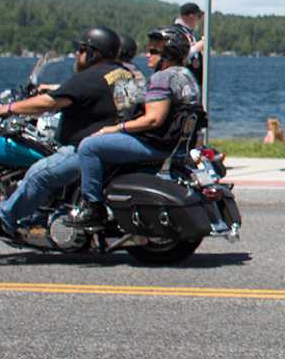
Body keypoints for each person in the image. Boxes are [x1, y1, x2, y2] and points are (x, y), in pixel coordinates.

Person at [0, 27, 130, 238]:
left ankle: (3, 220)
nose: (77, 54)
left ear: (94, 52)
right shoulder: (122, 74)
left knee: (38, 175)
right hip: (116, 145)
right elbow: (88, 97)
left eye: (81, 49)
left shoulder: (90, 76)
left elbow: (50, 102)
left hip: (86, 149)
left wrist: (10, 108)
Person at [69, 29, 202, 230]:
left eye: (153, 51)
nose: (147, 55)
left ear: (168, 54)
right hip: (175, 145)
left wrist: (115, 128)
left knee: (89, 146)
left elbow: (153, 120)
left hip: (156, 144)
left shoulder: (162, 77)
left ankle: (92, 207)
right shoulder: (186, 75)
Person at [175, 2, 206, 88]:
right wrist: (197, 47)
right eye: (199, 17)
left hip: (193, 85)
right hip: (183, 87)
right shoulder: (176, 32)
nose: (199, 21)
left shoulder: (189, 33)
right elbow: (177, 57)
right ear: (191, 17)